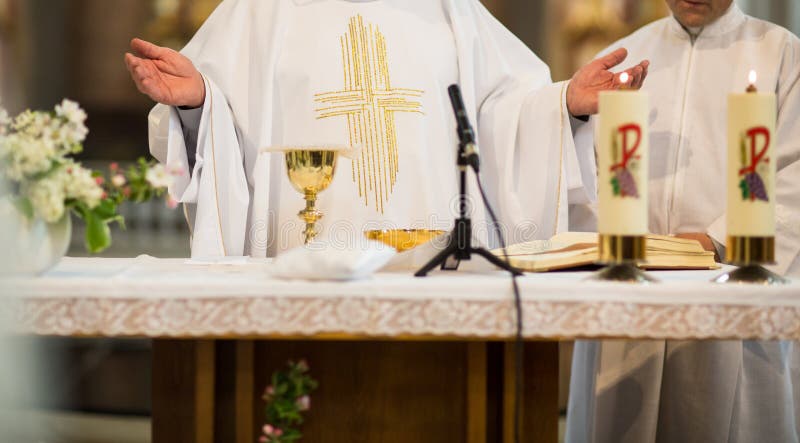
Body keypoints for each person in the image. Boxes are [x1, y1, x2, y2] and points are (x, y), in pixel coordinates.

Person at [125, 0, 648, 258]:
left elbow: (499, 118)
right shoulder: (263, 10)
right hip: (301, 261)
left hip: (436, 264)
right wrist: (198, 103)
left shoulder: (450, 9)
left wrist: (565, 107)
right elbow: (224, 127)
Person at [567, 1, 800, 442]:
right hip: (630, 293)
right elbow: (583, 174)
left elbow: (795, 174)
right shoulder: (625, 56)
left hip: (731, 290)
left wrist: (717, 240)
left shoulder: (782, 55)